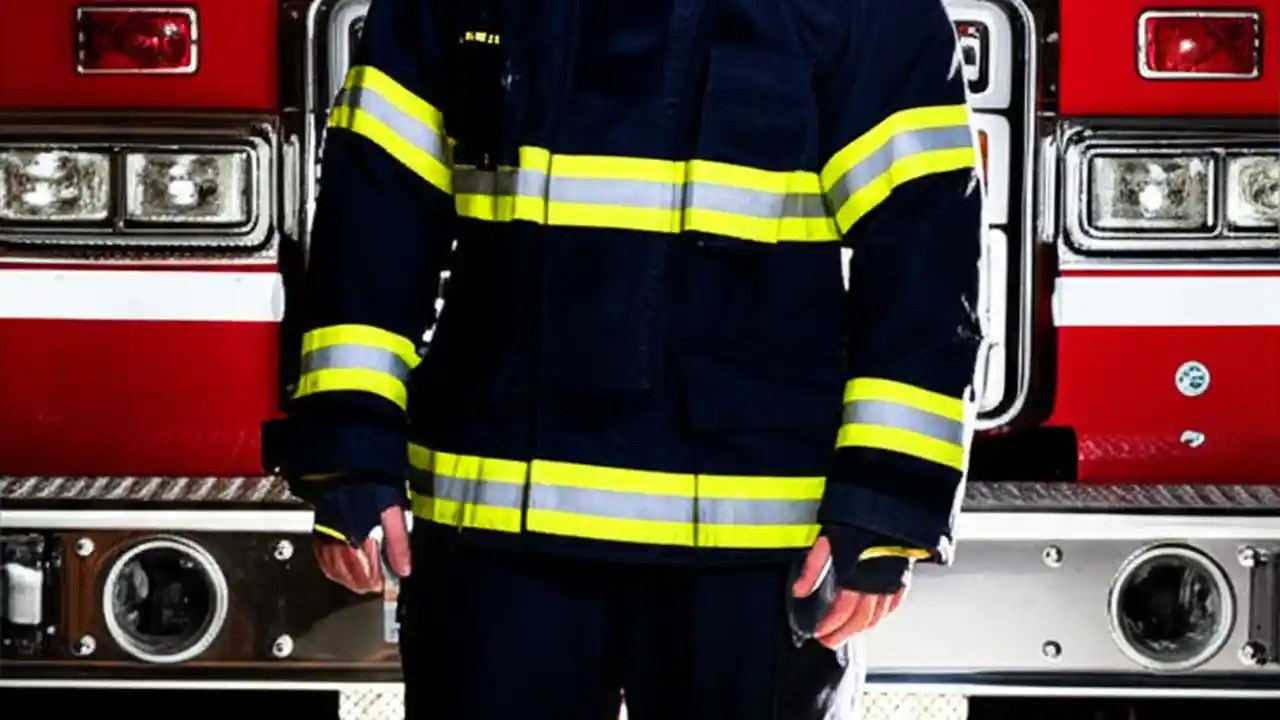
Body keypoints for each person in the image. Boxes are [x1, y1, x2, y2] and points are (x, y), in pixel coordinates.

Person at [268, 0, 984, 716]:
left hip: (752, 556)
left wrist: (886, 504)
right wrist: (350, 457)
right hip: (495, 549)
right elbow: (372, 227)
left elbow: (923, 257)